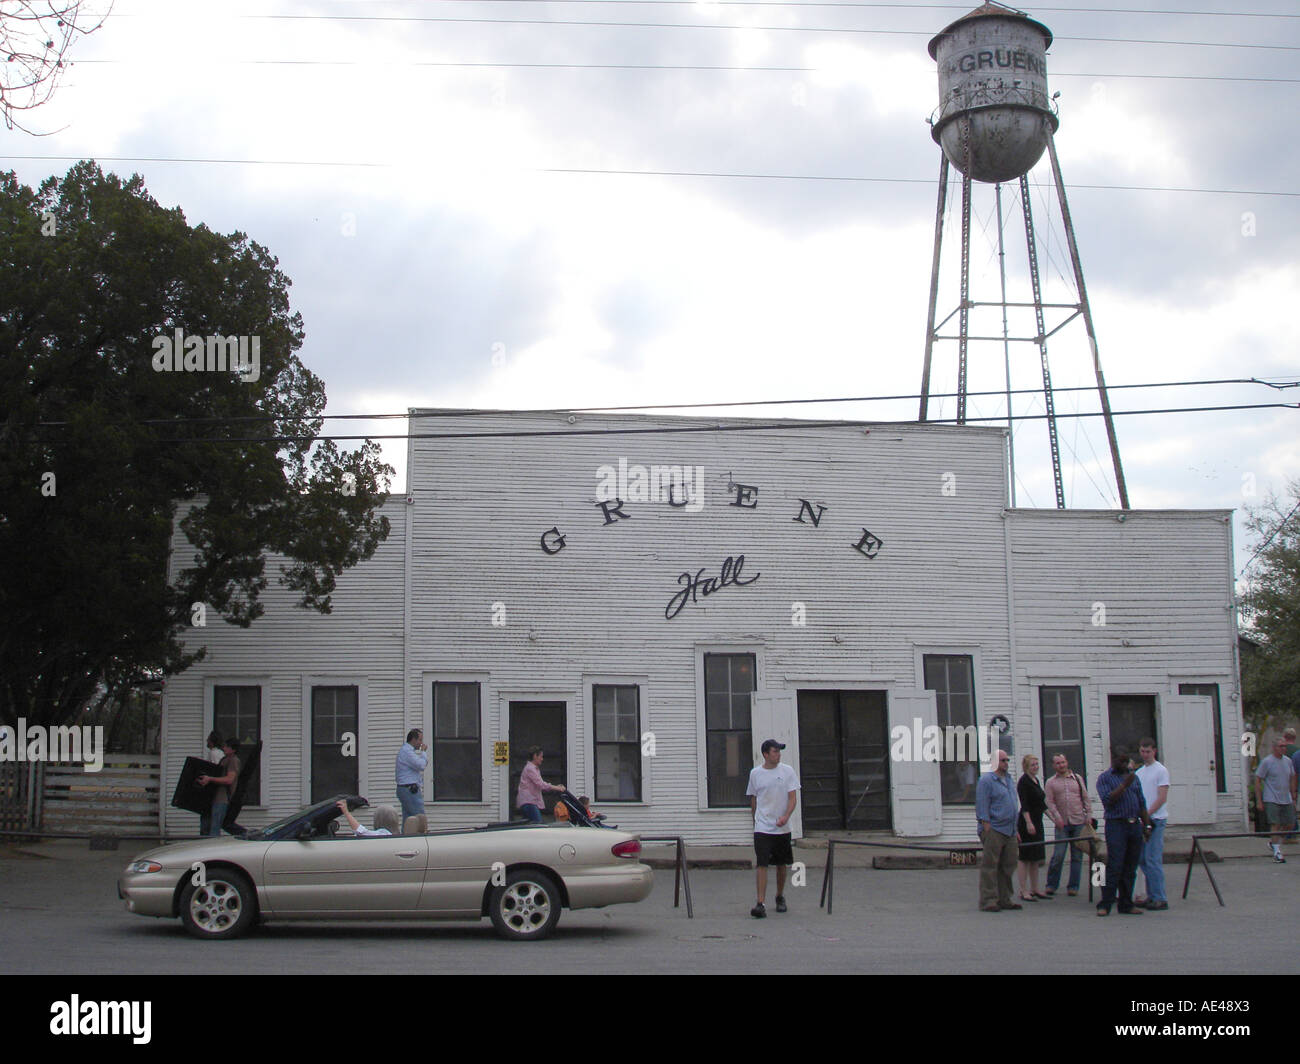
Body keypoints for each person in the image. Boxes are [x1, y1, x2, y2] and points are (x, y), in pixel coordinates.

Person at [1095, 746, 1152, 916]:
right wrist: (1124, 785)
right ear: (1113, 761)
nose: (1124, 764)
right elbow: (1108, 800)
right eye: (1121, 761)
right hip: (1116, 824)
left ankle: (1126, 903)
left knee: (1130, 866)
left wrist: (1147, 825)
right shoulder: (1105, 778)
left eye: (1126, 761)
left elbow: (1141, 803)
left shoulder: (1133, 778)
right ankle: (1105, 903)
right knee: (1115, 865)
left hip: (1133, 824)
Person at [746, 739, 799, 918]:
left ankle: (779, 895)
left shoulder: (788, 772)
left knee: (781, 863)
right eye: (775, 751)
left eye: (779, 751)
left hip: (782, 826)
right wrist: (755, 819)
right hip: (762, 826)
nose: (778, 754)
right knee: (762, 863)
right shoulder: (756, 774)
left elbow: (792, 798)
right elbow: (753, 797)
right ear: (766, 754)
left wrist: (786, 816)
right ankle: (760, 902)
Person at [976, 749, 1020, 912]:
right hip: (994, 828)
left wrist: (1016, 828)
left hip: (1010, 829)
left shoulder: (1009, 780)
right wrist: (986, 826)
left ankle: (1005, 898)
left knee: (1008, 864)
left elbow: (1013, 803)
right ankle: (988, 900)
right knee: (990, 865)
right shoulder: (986, 780)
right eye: (1003, 760)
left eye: (1007, 760)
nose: (1006, 763)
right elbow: (982, 804)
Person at [1044, 753, 1092, 897]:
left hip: (1078, 821)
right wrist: (1057, 818)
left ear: (1067, 762)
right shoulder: (1051, 782)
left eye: (1063, 762)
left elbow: (1085, 798)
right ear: (1054, 766)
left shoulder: (1077, 779)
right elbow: (1050, 802)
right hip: (1062, 824)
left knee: (1077, 856)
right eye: (1058, 763)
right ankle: (1051, 885)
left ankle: (1073, 886)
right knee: (1058, 855)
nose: (1061, 765)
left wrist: (1088, 815)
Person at [1134, 738, 1170, 910]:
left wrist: (1147, 815)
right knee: (1142, 858)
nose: (1145, 754)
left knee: (1152, 858)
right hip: (1143, 819)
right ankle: (1151, 893)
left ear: (1154, 751)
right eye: (1142, 751)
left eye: (1148, 751)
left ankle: (1159, 897)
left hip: (1156, 818)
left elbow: (1162, 797)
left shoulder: (1161, 770)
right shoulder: (1140, 772)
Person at [1254, 735, 1297, 863]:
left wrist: (1293, 794)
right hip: (1271, 798)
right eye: (1281, 746)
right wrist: (1259, 800)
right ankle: (1277, 852)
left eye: (1285, 746)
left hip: (1286, 798)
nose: (1283, 748)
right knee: (1275, 824)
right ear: (1274, 748)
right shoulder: (1267, 761)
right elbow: (1257, 779)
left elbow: (1292, 777)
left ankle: (1275, 843)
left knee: (1290, 824)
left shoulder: (1288, 761)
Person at [1016, 754, 1049, 901]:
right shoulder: (1023, 782)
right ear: (1026, 767)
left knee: (1036, 857)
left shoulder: (1036, 781)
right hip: (1027, 823)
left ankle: (1035, 888)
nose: (1036, 767)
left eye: (1037, 764)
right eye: (1033, 765)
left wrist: (1055, 818)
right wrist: (1029, 823)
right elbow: (1025, 805)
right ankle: (1024, 890)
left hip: (1038, 821)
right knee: (1025, 857)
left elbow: (1041, 804)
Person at [196, 737, 240, 838]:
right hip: (213, 797)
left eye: (227, 746)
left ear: (233, 749)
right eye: (224, 746)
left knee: (214, 828)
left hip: (222, 799)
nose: (224, 748)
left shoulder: (233, 761)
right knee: (206, 826)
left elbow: (229, 779)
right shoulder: (224, 759)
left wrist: (210, 779)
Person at [516, 747, 565, 823]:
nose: (542, 759)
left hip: (529, 802)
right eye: (541, 756)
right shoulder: (530, 769)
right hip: (529, 802)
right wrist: (557, 788)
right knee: (538, 824)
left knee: (528, 825)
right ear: (535, 756)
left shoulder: (533, 768)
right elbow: (541, 784)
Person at [396, 728, 428, 822]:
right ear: (413, 740)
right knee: (419, 818)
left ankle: (407, 835)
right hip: (409, 790)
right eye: (420, 740)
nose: (421, 743)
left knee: (408, 819)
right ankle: (422, 836)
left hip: (406, 789)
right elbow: (421, 765)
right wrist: (423, 752)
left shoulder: (406, 751)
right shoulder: (407, 752)